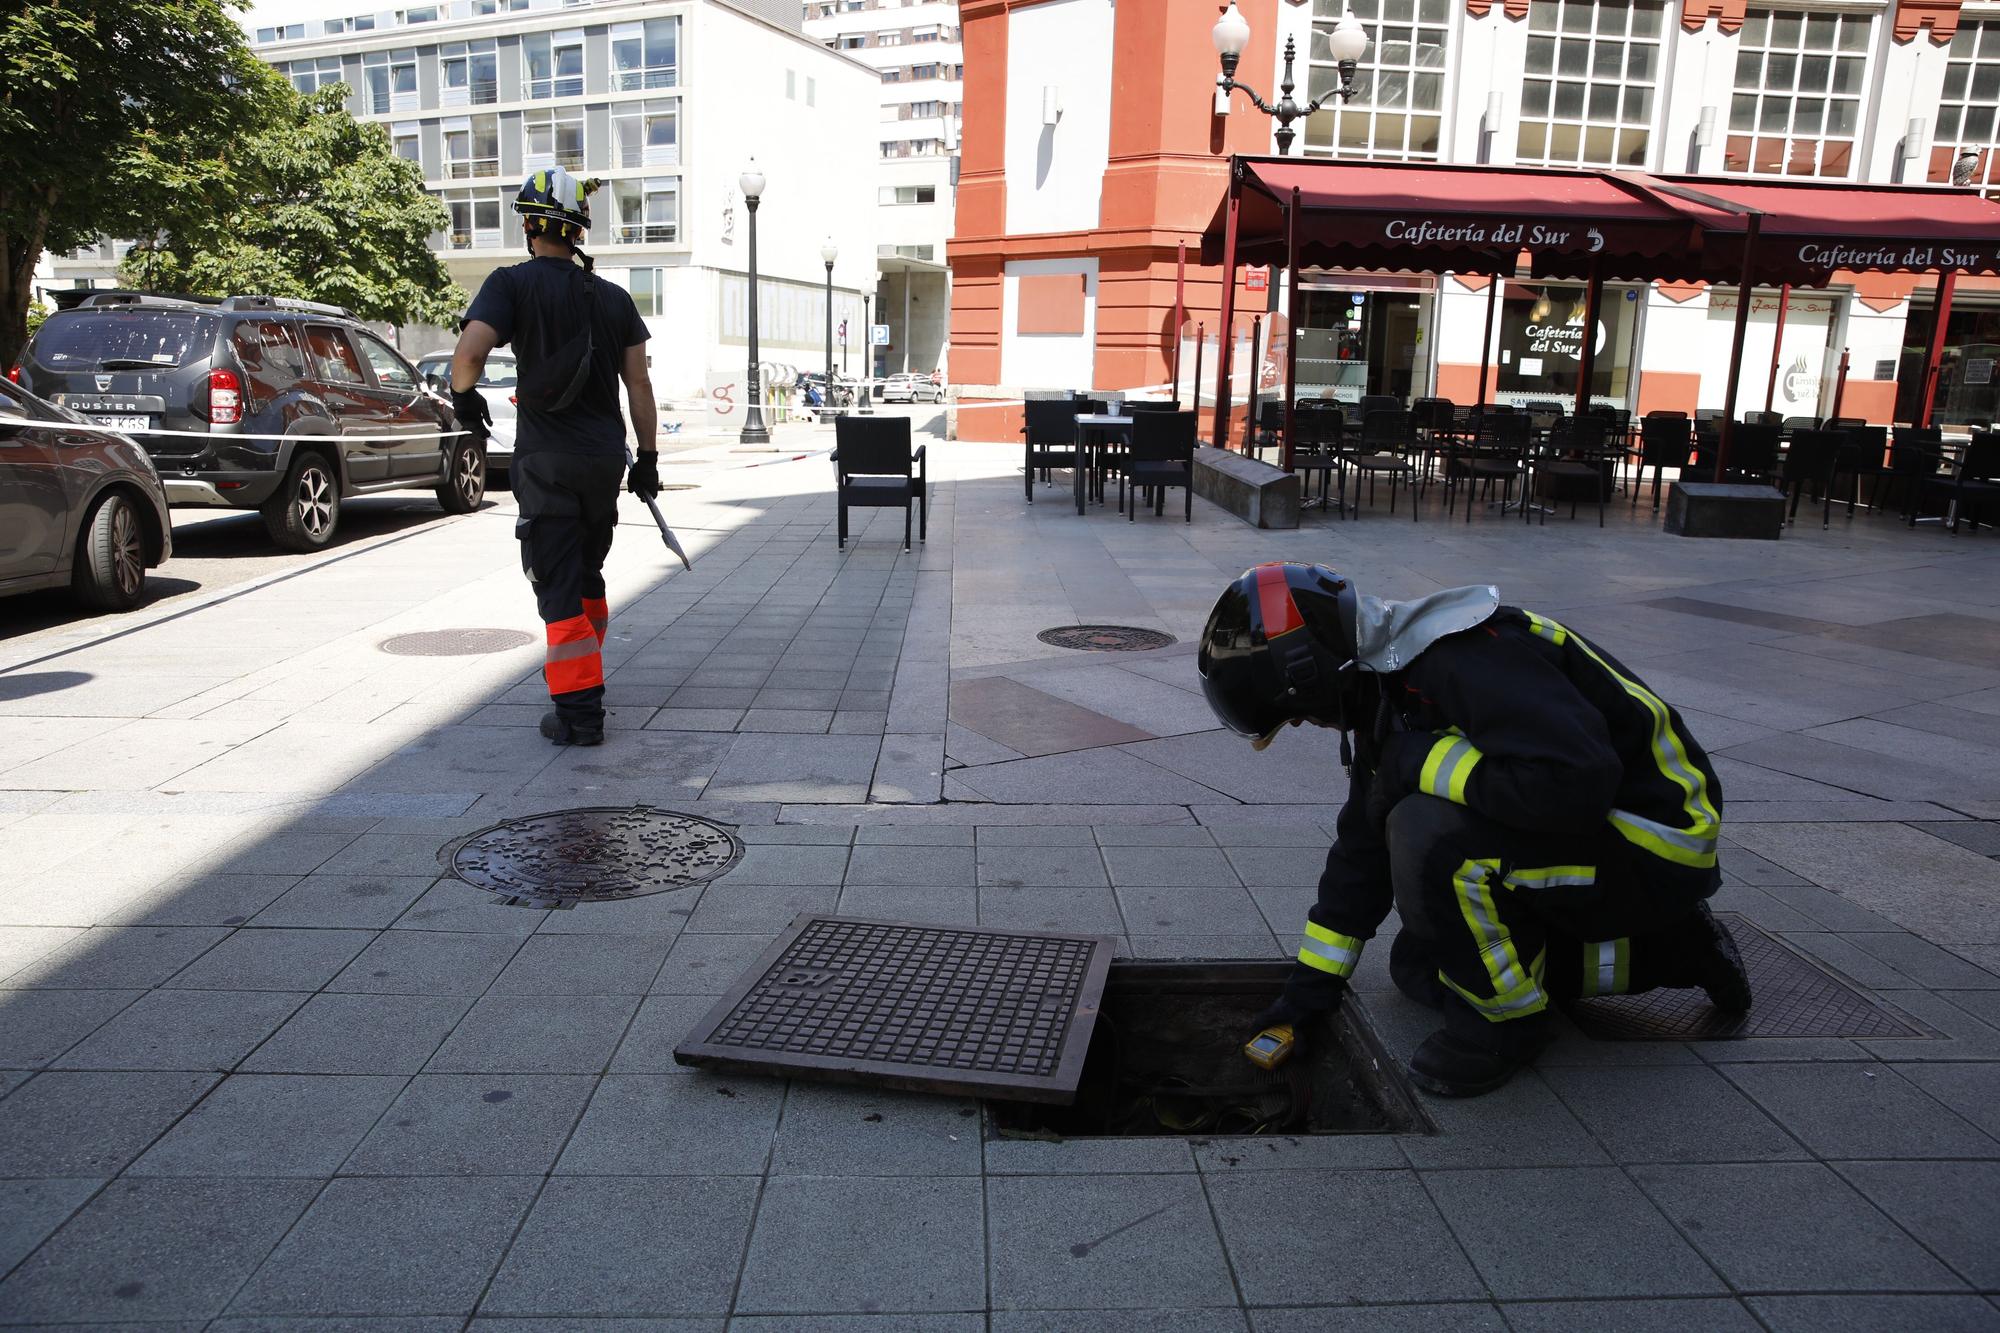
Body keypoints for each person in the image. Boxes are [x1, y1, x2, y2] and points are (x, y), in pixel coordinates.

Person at [1199, 562, 1750, 1097]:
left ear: (1311, 673)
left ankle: (1507, 1028)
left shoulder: (1464, 660)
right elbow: (1359, 858)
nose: (1307, 723)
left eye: (1298, 712)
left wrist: (1420, 763)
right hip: (1598, 843)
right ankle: (1678, 950)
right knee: (1422, 965)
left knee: (1429, 837)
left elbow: (1575, 787)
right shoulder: (1387, 688)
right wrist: (1307, 996)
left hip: (1652, 842)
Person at [451, 167, 657, 747]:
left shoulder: (511, 284)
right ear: (579, 231)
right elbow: (638, 385)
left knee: (557, 580)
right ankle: (587, 675)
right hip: (602, 462)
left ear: (528, 225)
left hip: (546, 460)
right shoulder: (614, 298)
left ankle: (579, 714)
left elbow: (468, 356)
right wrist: (649, 457)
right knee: (587, 571)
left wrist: (464, 402)